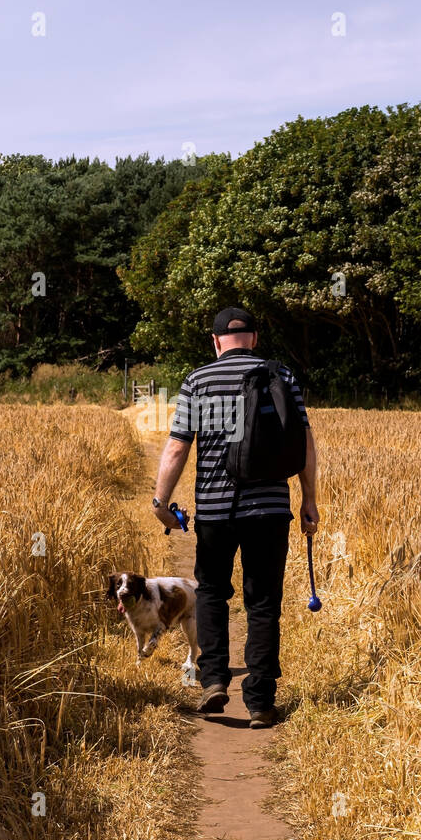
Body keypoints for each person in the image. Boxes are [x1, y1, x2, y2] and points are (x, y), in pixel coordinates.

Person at [152, 306, 319, 728]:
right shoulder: (283, 378)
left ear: (216, 341)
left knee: (211, 592)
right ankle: (261, 701)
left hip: (214, 509)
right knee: (263, 601)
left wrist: (161, 503)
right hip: (270, 510)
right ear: (255, 338)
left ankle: (214, 681)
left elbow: (176, 447)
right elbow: (305, 446)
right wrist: (309, 502)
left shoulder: (198, 380)